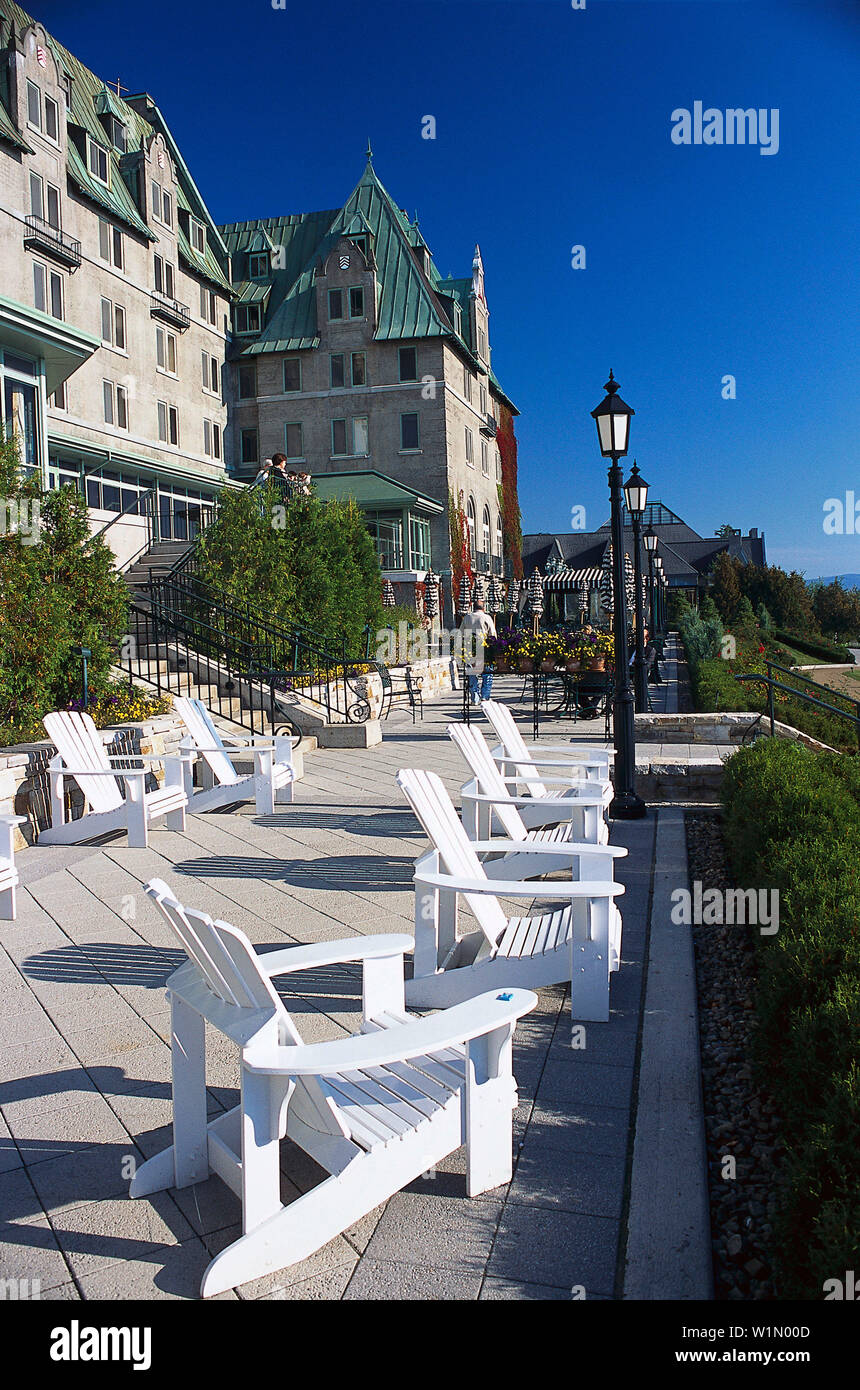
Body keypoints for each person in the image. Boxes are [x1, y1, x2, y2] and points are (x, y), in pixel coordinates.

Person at [460, 600, 497, 704]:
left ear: (473, 607)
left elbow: (461, 633)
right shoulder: (486, 618)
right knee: (487, 674)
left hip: (469, 649)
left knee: (472, 675)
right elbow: (493, 635)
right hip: (484, 649)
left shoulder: (467, 618)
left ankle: (475, 698)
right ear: (483, 608)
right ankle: (485, 696)